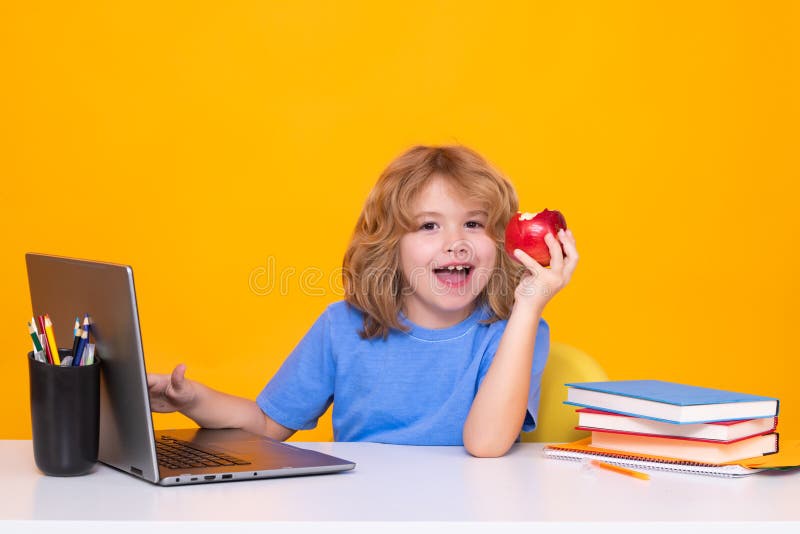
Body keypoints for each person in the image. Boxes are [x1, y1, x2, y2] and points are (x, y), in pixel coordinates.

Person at [147, 145, 578, 457]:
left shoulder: (517, 330)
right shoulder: (343, 326)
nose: (457, 243)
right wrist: (193, 401)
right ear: (389, 245)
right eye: (429, 226)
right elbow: (266, 425)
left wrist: (528, 304)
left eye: (473, 224)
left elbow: (486, 445)